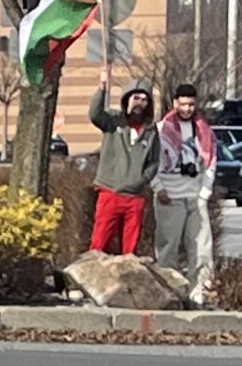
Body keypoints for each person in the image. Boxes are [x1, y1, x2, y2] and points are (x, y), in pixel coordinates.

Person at [152, 82, 216, 305]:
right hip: (170, 196)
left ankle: (199, 292)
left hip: (195, 197)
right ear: (175, 103)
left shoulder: (204, 130)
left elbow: (211, 162)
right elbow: (149, 163)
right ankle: (168, 292)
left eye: (191, 104)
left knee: (201, 247)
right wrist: (158, 188)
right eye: (183, 103)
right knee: (168, 248)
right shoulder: (162, 129)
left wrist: (205, 192)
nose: (187, 108)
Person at [86, 83, 158, 254]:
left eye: (144, 100)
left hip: (135, 197)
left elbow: (154, 161)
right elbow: (94, 114)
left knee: (130, 250)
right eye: (136, 98)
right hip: (110, 192)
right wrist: (102, 88)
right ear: (127, 99)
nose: (140, 103)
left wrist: (142, 180)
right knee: (99, 243)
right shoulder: (113, 121)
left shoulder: (151, 130)